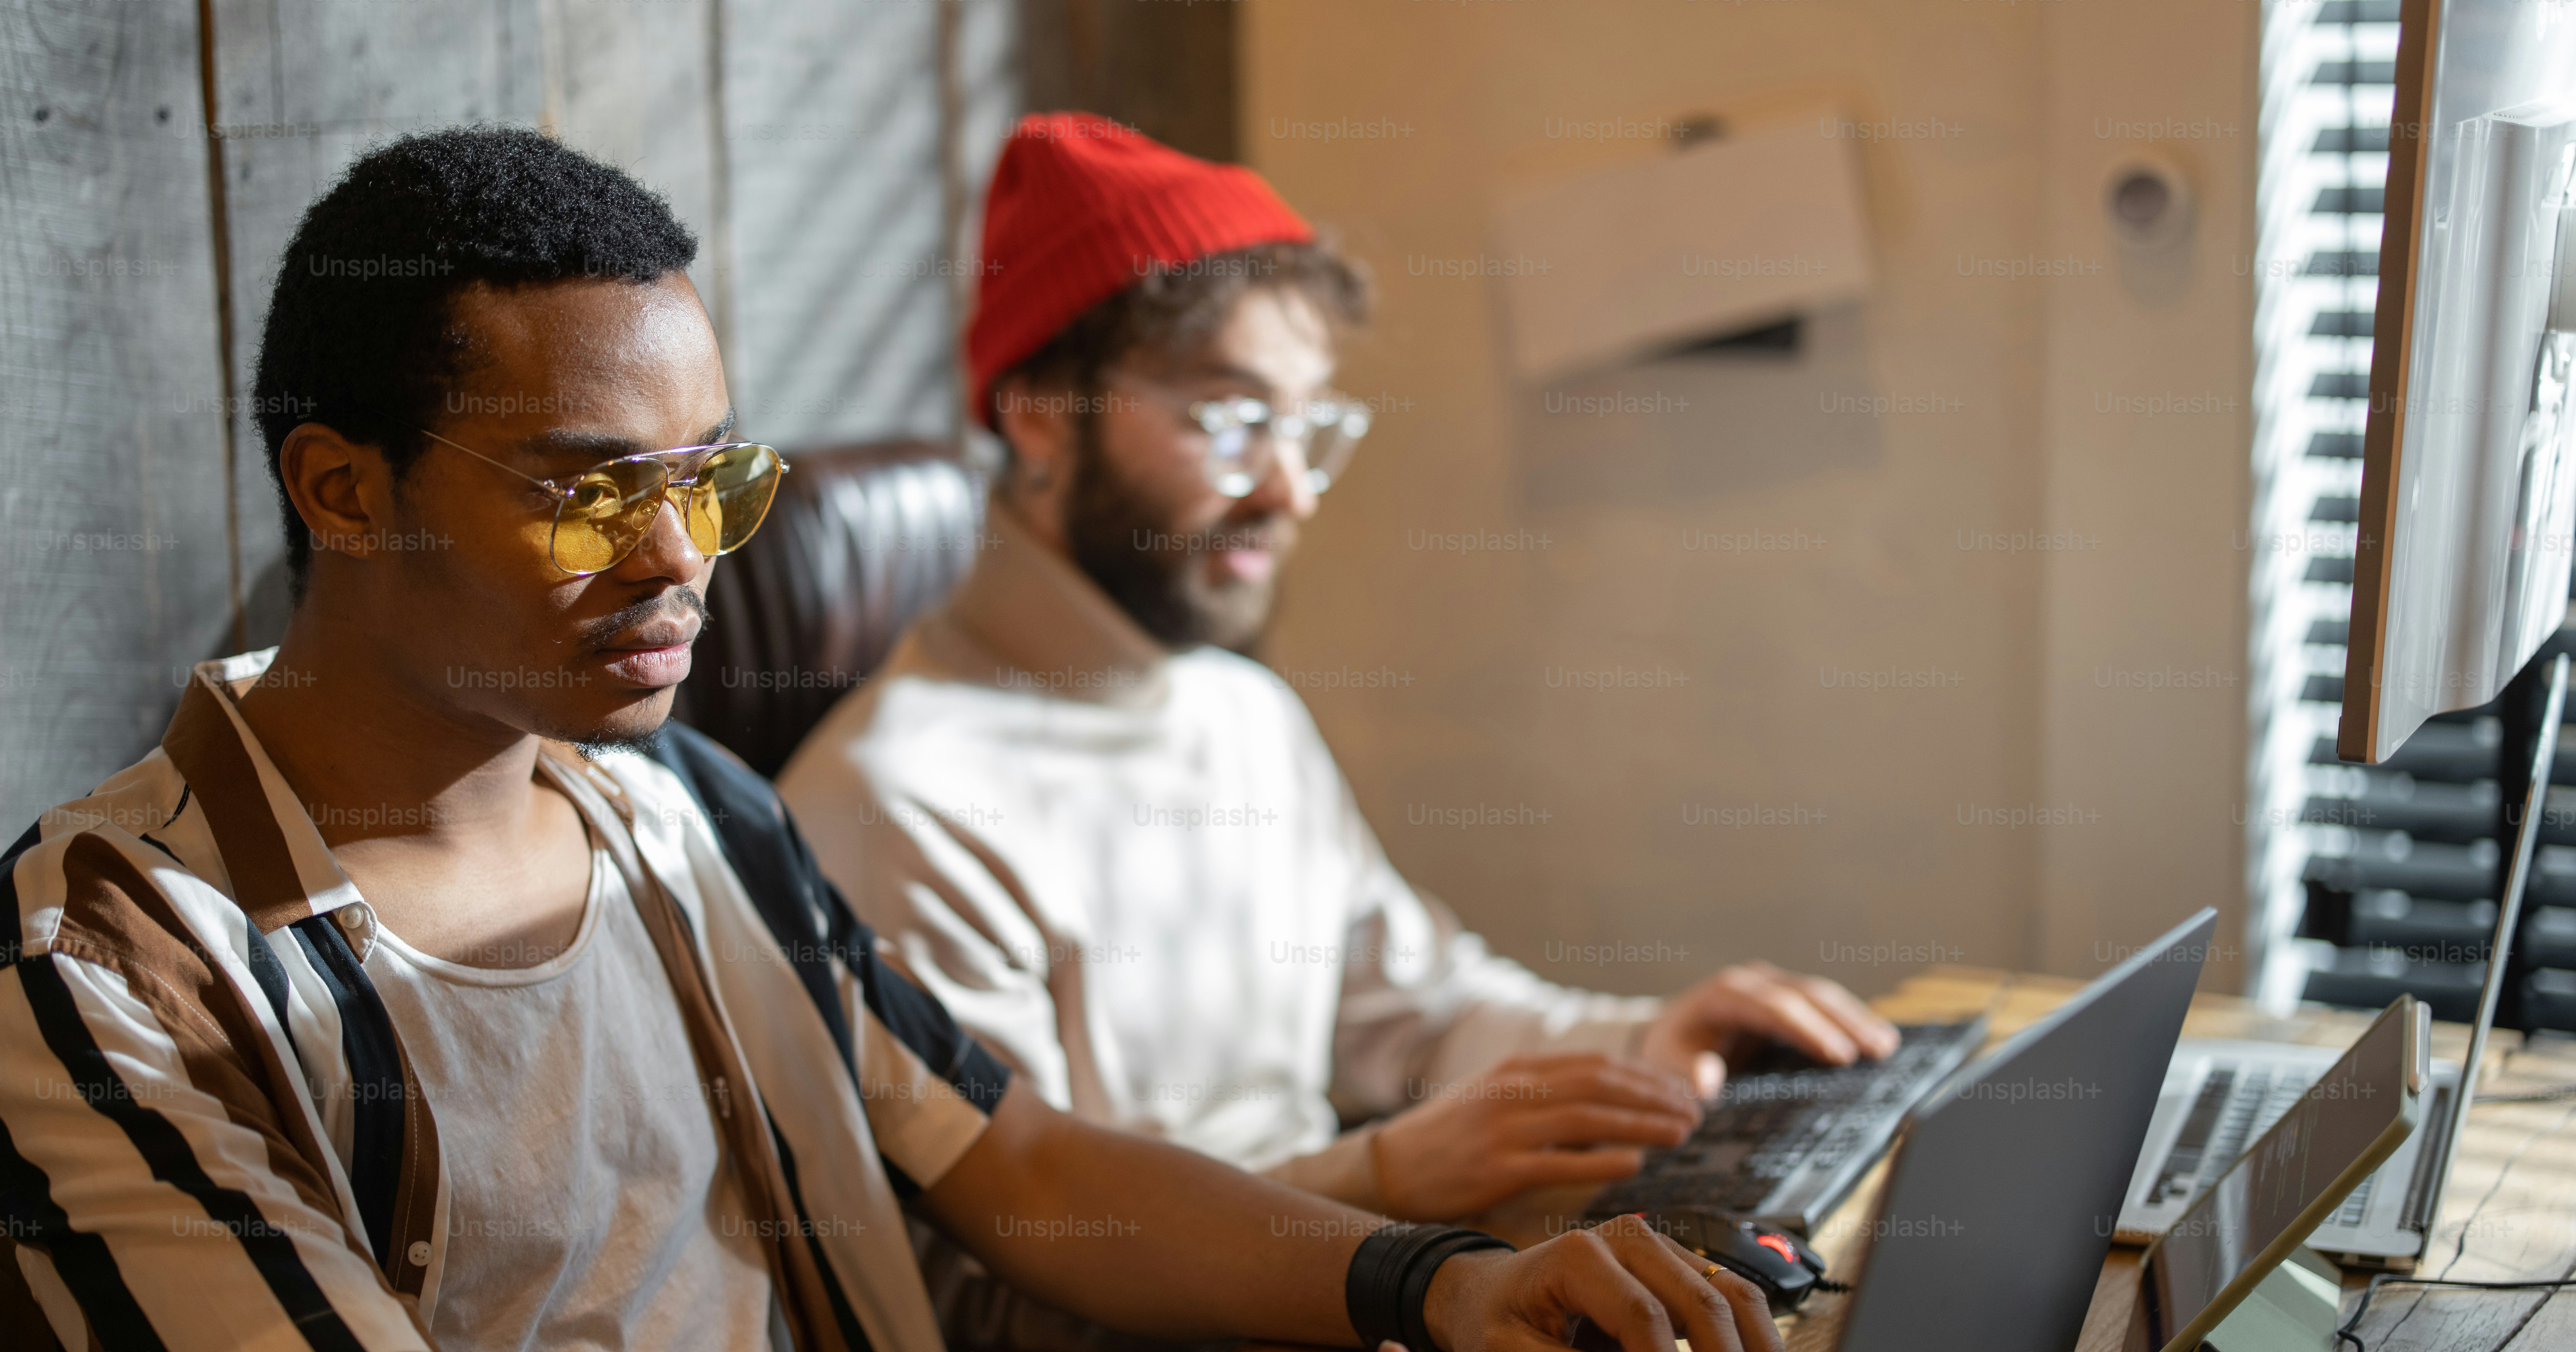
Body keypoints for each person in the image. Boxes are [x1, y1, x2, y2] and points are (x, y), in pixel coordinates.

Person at [0, 128, 1805, 1352]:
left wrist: (1446, 1278)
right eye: (592, 490)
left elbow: (1034, 1169)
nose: (679, 560)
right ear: (344, 490)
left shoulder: (683, 812)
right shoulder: (110, 952)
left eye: (709, 483)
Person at [777, 114, 1900, 1230]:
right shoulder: (897, 805)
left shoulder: (1239, 712)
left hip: (1341, 1299)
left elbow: (1416, 1019)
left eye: (1310, 426)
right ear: (1038, 417)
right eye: (1232, 418)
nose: (1293, 491)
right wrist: (1382, 1181)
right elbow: (1003, 1285)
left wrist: (1652, 1043)